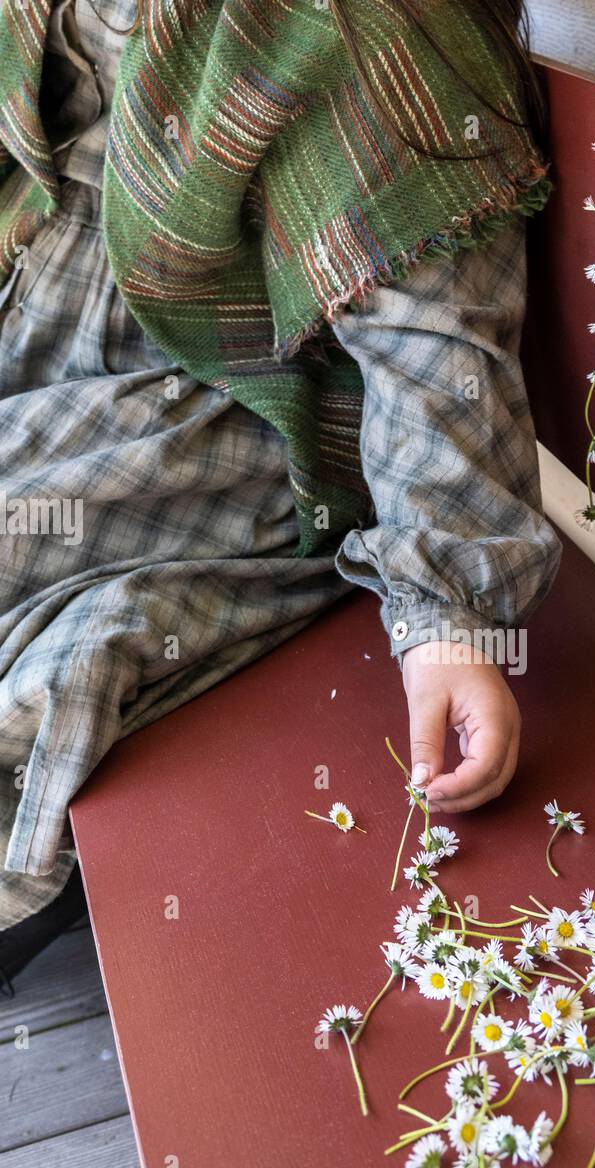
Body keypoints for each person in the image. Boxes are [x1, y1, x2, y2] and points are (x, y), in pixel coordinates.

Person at [0, 0, 561, 981]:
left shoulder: (350, 20)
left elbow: (433, 345)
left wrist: (446, 624)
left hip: (228, 401)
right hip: (40, 338)